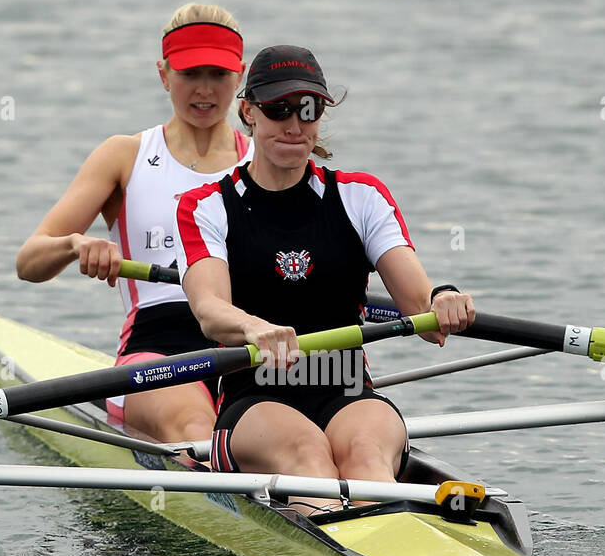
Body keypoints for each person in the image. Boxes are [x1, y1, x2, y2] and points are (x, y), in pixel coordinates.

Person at [177, 45, 475, 501]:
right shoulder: (206, 205)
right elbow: (210, 310)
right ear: (248, 111)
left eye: (309, 109)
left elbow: (419, 306)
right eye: (278, 110)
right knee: (308, 455)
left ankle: (388, 549)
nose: (295, 126)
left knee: (366, 455)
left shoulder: (361, 197)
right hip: (255, 395)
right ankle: (348, 547)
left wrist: (444, 299)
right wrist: (254, 327)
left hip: (347, 387)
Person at [15, 3, 252, 442]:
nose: (204, 90)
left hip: (252, 340)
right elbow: (28, 262)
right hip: (157, 345)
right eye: (189, 73)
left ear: (240, 74)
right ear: (163, 74)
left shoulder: (266, 161)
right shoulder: (125, 156)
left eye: (218, 75)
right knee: (197, 429)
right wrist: (75, 245)